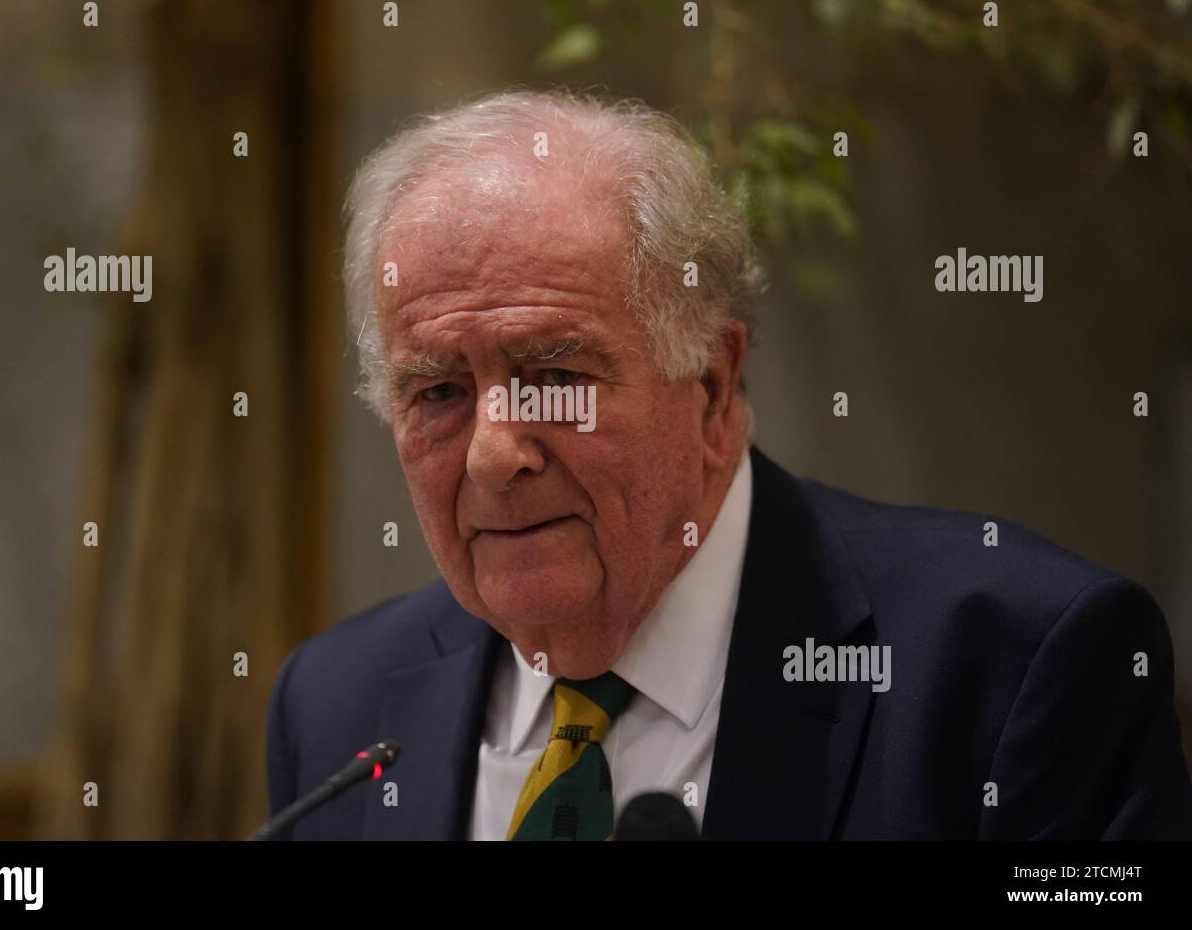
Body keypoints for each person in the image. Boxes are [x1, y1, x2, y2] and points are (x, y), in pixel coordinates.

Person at [266, 89, 1192, 840]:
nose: (495, 453)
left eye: (554, 375)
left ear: (710, 389)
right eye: (437, 392)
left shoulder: (1015, 668)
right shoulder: (335, 708)